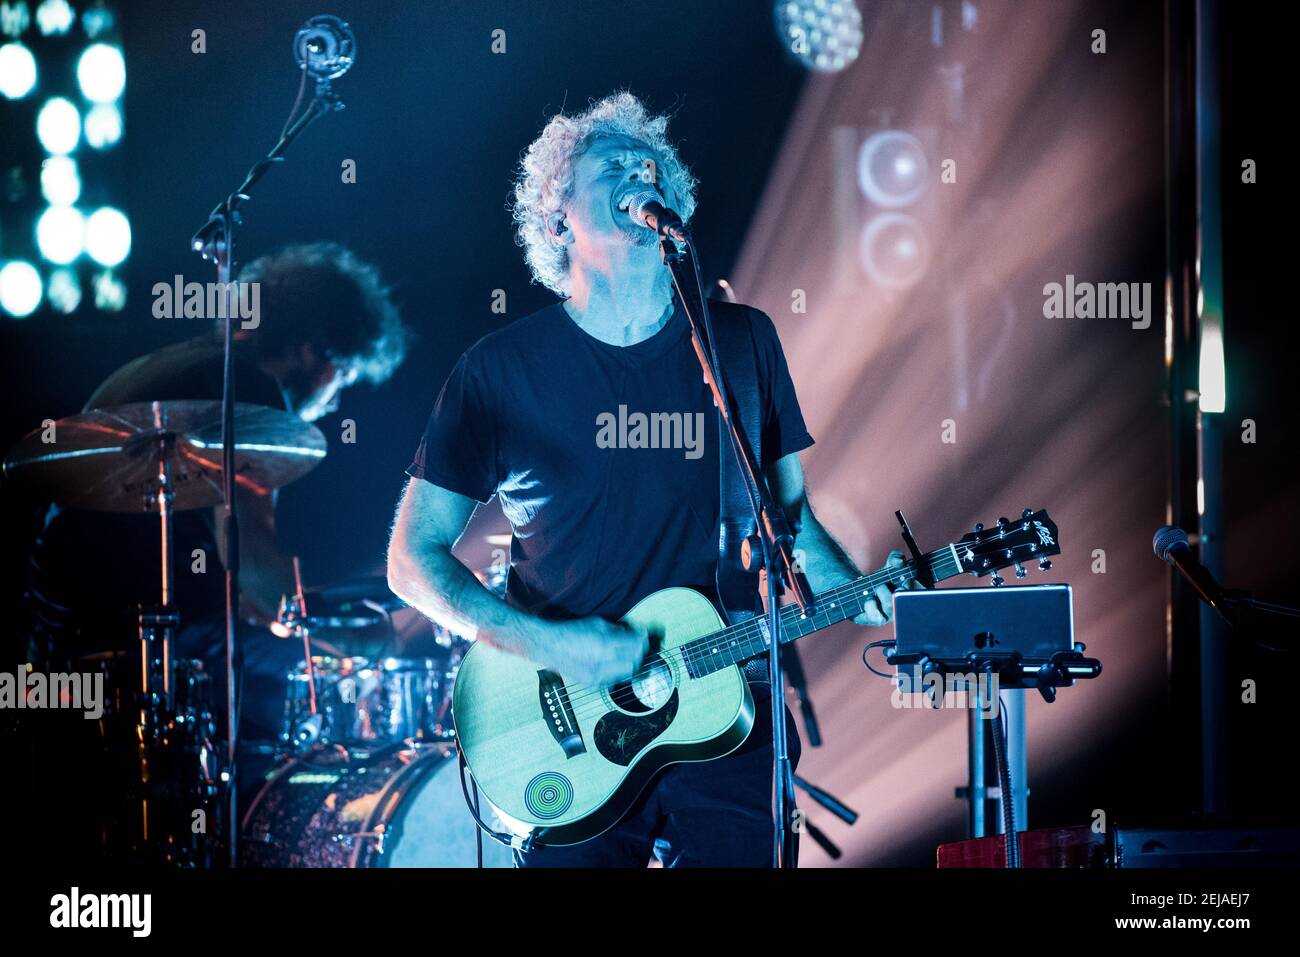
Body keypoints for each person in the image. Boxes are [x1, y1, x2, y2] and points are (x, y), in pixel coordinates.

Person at [387, 93, 916, 867]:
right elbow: (412, 558)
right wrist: (551, 646)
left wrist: (862, 592)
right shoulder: (500, 372)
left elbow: (789, 518)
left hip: (729, 707)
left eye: (652, 164)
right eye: (612, 165)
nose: (642, 171)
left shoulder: (742, 342)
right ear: (558, 217)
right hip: (572, 733)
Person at [25, 241, 408, 742]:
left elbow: (233, 577)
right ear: (314, 349)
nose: (338, 399)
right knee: (309, 699)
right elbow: (254, 568)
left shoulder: (181, 365)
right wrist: (359, 638)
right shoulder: (245, 389)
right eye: (346, 374)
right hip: (150, 638)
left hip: (62, 638)